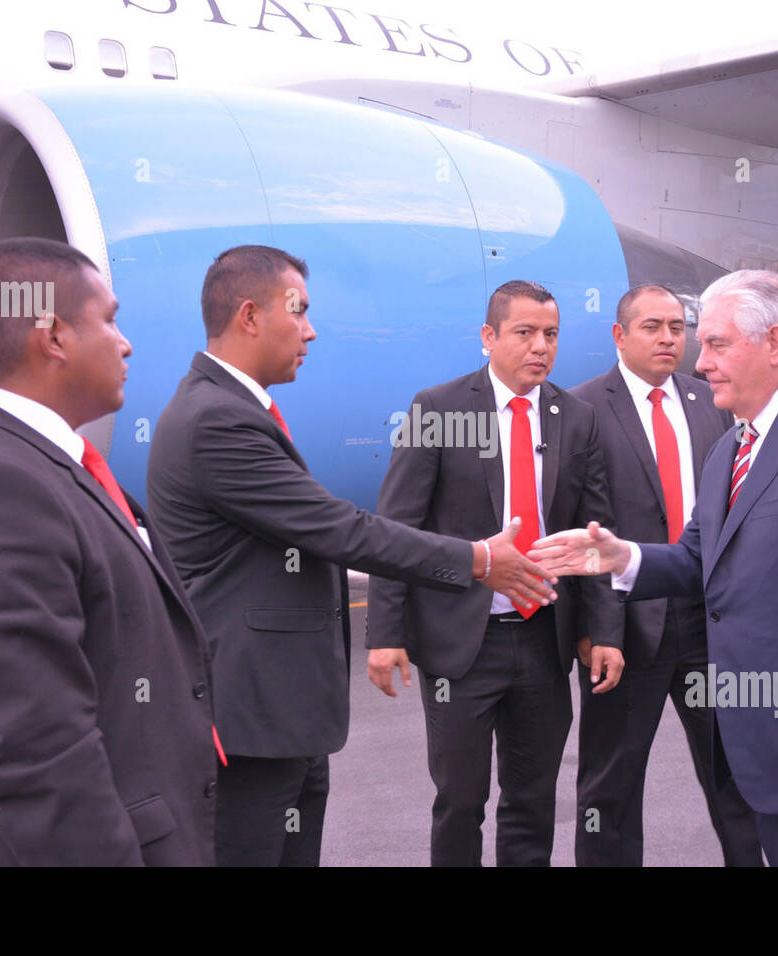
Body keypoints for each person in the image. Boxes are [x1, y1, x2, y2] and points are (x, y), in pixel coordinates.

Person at [145, 246, 553, 868]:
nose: (310, 330)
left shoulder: (230, 408)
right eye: (299, 312)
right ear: (251, 317)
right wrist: (474, 559)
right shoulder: (215, 421)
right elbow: (340, 529)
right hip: (250, 713)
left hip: (281, 713)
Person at [531, 270, 778, 866]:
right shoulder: (733, 447)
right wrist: (622, 558)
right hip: (767, 762)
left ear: (772, 344)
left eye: (716, 344)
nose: (700, 362)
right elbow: (700, 558)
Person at [0, 237, 218, 865]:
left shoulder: (29, 459)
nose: (125, 343)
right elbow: (37, 758)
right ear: (54, 336)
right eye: (110, 320)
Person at [366, 279, 620, 867]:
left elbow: (593, 537)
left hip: (544, 640)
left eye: (551, 334)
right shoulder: (440, 408)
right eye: (525, 333)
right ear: (489, 336)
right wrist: (385, 635)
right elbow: (395, 530)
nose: (540, 347)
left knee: (532, 801)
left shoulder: (574, 419)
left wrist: (603, 630)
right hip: (463, 645)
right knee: (460, 799)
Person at [569, 284, 761, 866]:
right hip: (625, 630)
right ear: (619, 335)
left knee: (736, 777)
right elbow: (578, 531)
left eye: (677, 327)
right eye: (652, 326)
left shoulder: (714, 402)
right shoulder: (581, 411)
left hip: (711, 623)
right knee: (612, 787)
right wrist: (596, 629)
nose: (668, 338)